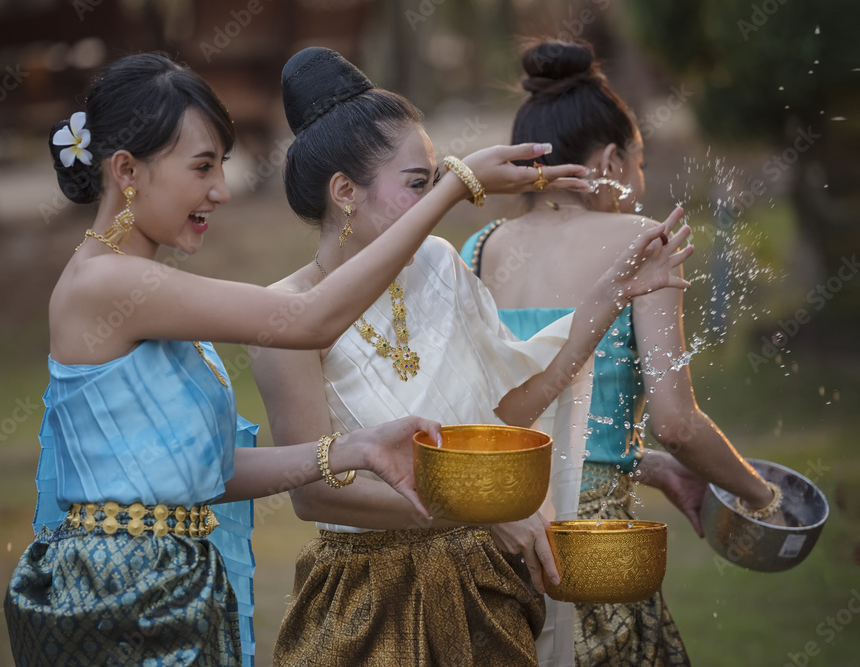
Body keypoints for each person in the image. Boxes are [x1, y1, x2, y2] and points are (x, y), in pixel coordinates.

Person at [2, 52, 569, 667]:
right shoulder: (106, 286)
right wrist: (455, 187)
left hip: (176, 584)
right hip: (119, 595)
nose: (219, 190)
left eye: (221, 167)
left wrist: (349, 450)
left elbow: (211, 473)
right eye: (202, 168)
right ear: (126, 170)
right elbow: (308, 319)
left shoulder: (137, 285)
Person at [251, 46, 693, 666]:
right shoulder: (282, 312)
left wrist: (611, 296)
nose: (437, 200)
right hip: (366, 603)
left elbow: (511, 410)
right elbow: (316, 495)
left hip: (486, 589)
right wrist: (475, 515)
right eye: (419, 184)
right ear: (345, 192)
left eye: (439, 182)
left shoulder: (438, 265)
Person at [461, 39, 788, 666]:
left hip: (498, 538)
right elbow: (678, 422)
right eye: (638, 164)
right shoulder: (643, 243)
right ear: (611, 158)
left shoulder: (478, 248)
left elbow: (511, 418)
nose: (638, 184)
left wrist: (651, 466)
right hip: (592, 548)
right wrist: (758, 495)